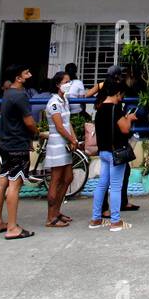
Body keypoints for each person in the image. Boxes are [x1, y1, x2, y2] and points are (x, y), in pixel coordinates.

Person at [0, 65, 36, 240]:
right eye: (26, 72)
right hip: (17, 144)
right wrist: (37, 132)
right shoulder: (20, 95)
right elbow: (29, 122)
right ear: (18, 78)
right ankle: (12, 227)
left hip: (5, 144)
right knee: (14, 185)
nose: (30, 75)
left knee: (2, 182)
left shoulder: (8, 93)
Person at [89, 74, 134, 231]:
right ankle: (115, 221)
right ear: (117, 93)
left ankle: (96, 218)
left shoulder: (100, 108)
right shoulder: (116, 109)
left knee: (102, 185)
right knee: (115, 187)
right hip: (116, 153)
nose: (121, 98)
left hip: (104, 152)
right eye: (121, 95)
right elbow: (125, 129)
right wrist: (129, 118)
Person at [42, 73, 78, 228]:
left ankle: (57, 211)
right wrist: (71, 139)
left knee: (68, 178)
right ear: (58, 84)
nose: (68, 84)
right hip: (57, 145)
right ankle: (51, 217)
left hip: (66, 145)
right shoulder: (54, 103)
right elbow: (59, 126)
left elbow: (67, 123)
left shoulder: (65, 101)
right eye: (66, 82)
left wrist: (74, 139)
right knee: (56, 180)